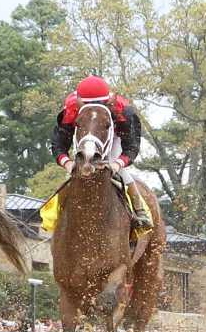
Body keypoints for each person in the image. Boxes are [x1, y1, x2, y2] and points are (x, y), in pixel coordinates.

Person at [49, 75, 152, 229]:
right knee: (71, 176)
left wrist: (117, 164)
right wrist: (68, 163)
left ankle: (139, 211)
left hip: (111, 138)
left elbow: (131, 147)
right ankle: (56, 218)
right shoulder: (69, 112)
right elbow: (58, 146)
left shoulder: (124, 112)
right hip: (84, 139)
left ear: (108, 103)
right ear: (79, 104)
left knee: (122, 172)